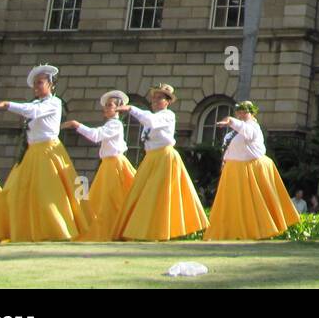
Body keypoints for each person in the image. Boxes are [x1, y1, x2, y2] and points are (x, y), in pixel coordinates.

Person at [0, 64, 89, 241]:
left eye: (40, 82)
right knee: (11, 192)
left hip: (48, 152)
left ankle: (56, 232)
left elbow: (35, 112)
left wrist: (7, 105)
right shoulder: (35, 103)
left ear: (51, 84)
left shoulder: (54, 103)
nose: (36, 87)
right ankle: (11, 231)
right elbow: (31, 109)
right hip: (31, 153)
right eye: (35, 83)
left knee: (48, 194)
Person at [112, 84, 208, 241]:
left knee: (158, 194)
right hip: (151, 158)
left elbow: (151, 121)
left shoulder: (167, 115)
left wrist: (131, 109)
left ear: (168, 102)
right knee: (141, 193)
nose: (155, 101)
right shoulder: (152, 115)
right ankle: (138, 230)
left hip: (164, 157)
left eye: (160, 98)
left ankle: (157, 231)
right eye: (154, 98)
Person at [205, 100, 301, 241]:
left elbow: (248, 133)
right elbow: (229, 149)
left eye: (245, 111)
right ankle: (231, 231)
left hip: (250, 169)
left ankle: (257, 231)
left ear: (252, 112)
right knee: (233, 204)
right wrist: (224, 162)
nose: (241, 113)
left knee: (253, 205)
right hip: (234, 170)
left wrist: (231, 121)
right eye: (239, 111)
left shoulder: (252, 127)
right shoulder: (233, 133)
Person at [64, 89, 136, 242]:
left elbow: (96, 135)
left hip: (115, 165)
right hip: (108, 165)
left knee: (111, 201)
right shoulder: (111, 124)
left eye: (110, 105)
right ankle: (111, 230)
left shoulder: (115, 125)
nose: (106, 108)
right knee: (103, 200)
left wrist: (77, 125)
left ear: (118, 108)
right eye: (106, 105)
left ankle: (113, 231)